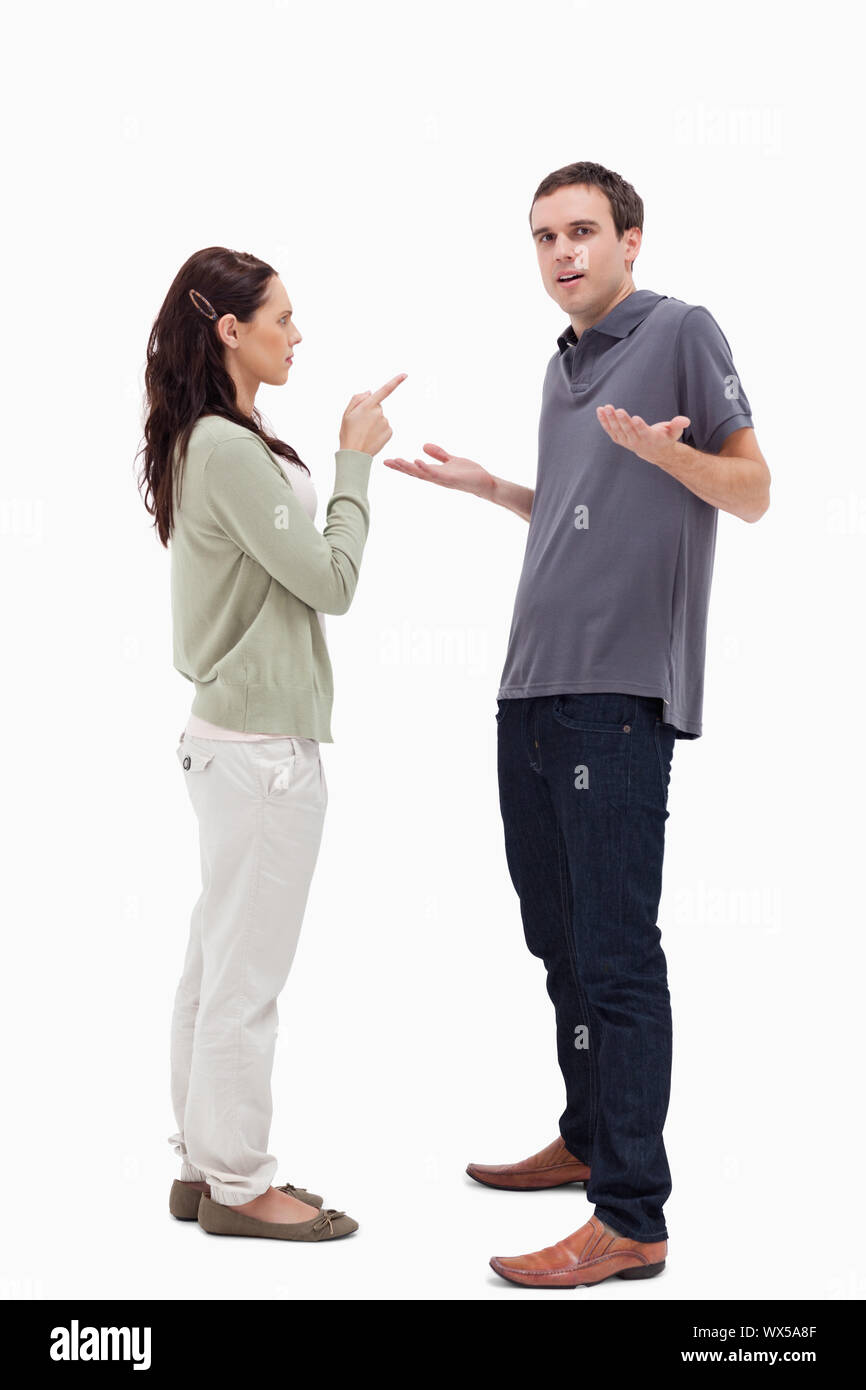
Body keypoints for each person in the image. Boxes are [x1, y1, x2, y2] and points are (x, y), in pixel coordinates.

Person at [383, 160, 771, 1287]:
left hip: (614, 695)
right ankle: (587, 1135)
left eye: (583, 232)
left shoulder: (681, 331)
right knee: (556, 943)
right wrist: (493, 489)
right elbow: (575, 515)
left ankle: (630, 1215)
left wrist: (666, 453)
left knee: (612, 953)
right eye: (544, 235)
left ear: (630, 240)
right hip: (530, 688)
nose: (562, 253)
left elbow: (750, 492)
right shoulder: (560, 364)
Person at [137, 246, 405, 1243]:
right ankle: (241, 1183)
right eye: (284, 318)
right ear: (230, 331)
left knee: (216, 962)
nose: (299, 335)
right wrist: (355, 460)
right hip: (260, 750)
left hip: (237, 739)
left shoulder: (226, 438)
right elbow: (331, 582)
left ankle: (203, 1163)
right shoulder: (227, 447)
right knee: (242, 979)